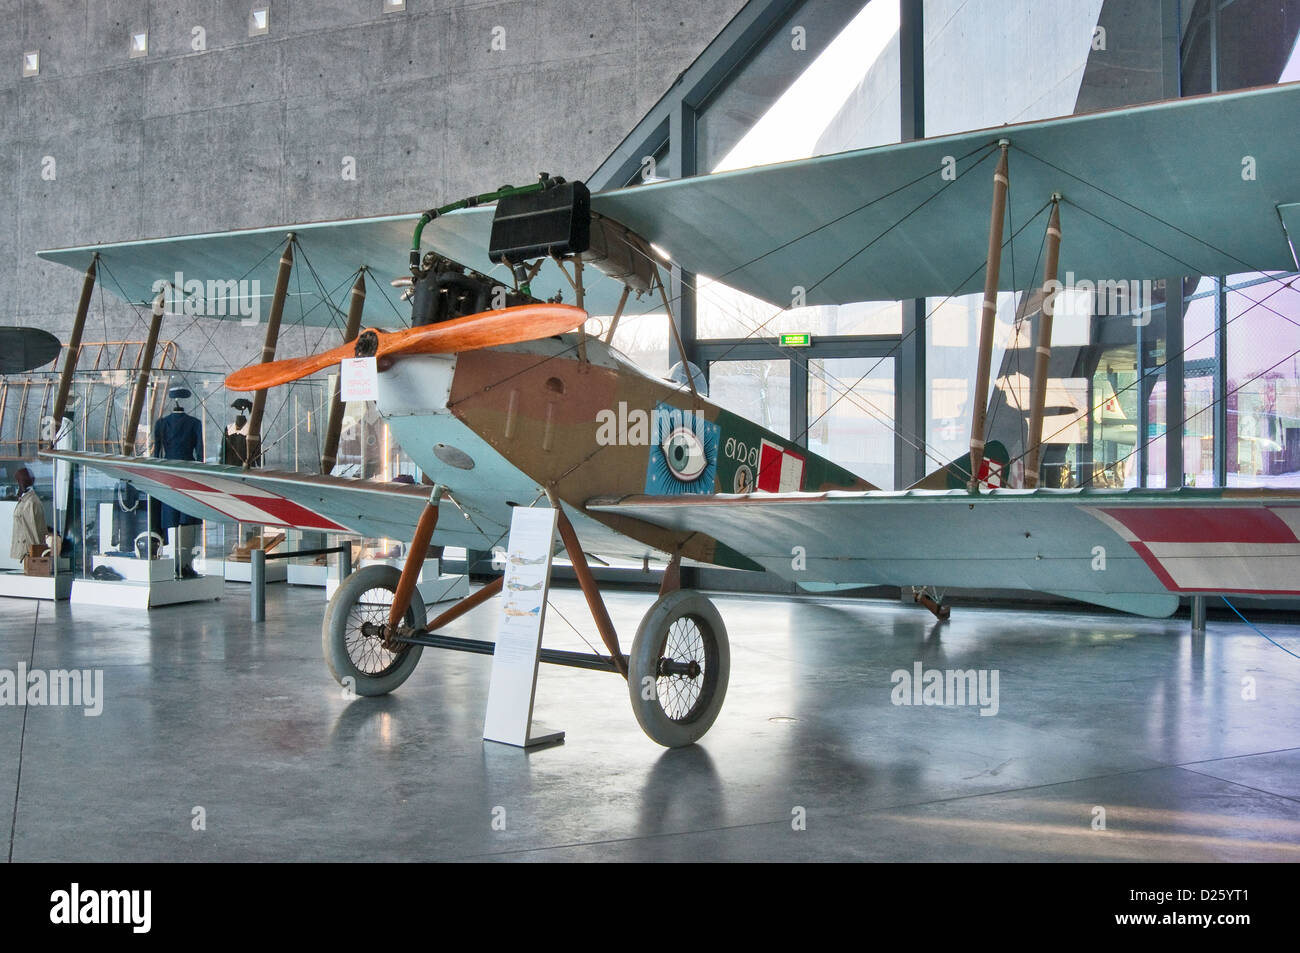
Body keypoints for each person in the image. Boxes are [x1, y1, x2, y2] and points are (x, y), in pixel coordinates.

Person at [151, 387, 204, 578]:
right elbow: (200, 453)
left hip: (168, 473)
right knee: (187, 520)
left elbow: (157, 453)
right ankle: (185, 564)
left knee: (170, 519)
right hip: (188, 473)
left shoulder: (162, 423)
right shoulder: (195, 423)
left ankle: (174, 563)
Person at [9, 467, 48, 566]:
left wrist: (35, 554)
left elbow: (32, 530)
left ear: (21, 483)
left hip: (27, 552)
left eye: (17, 481)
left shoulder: (30, 502)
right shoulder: (26, 500)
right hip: (24, 551)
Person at [221, 398, 253, 467]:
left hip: (247, 469)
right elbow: (223, 452)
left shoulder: (251, 430)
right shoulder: (228, 429)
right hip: (229, 468)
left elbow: (257, 452)